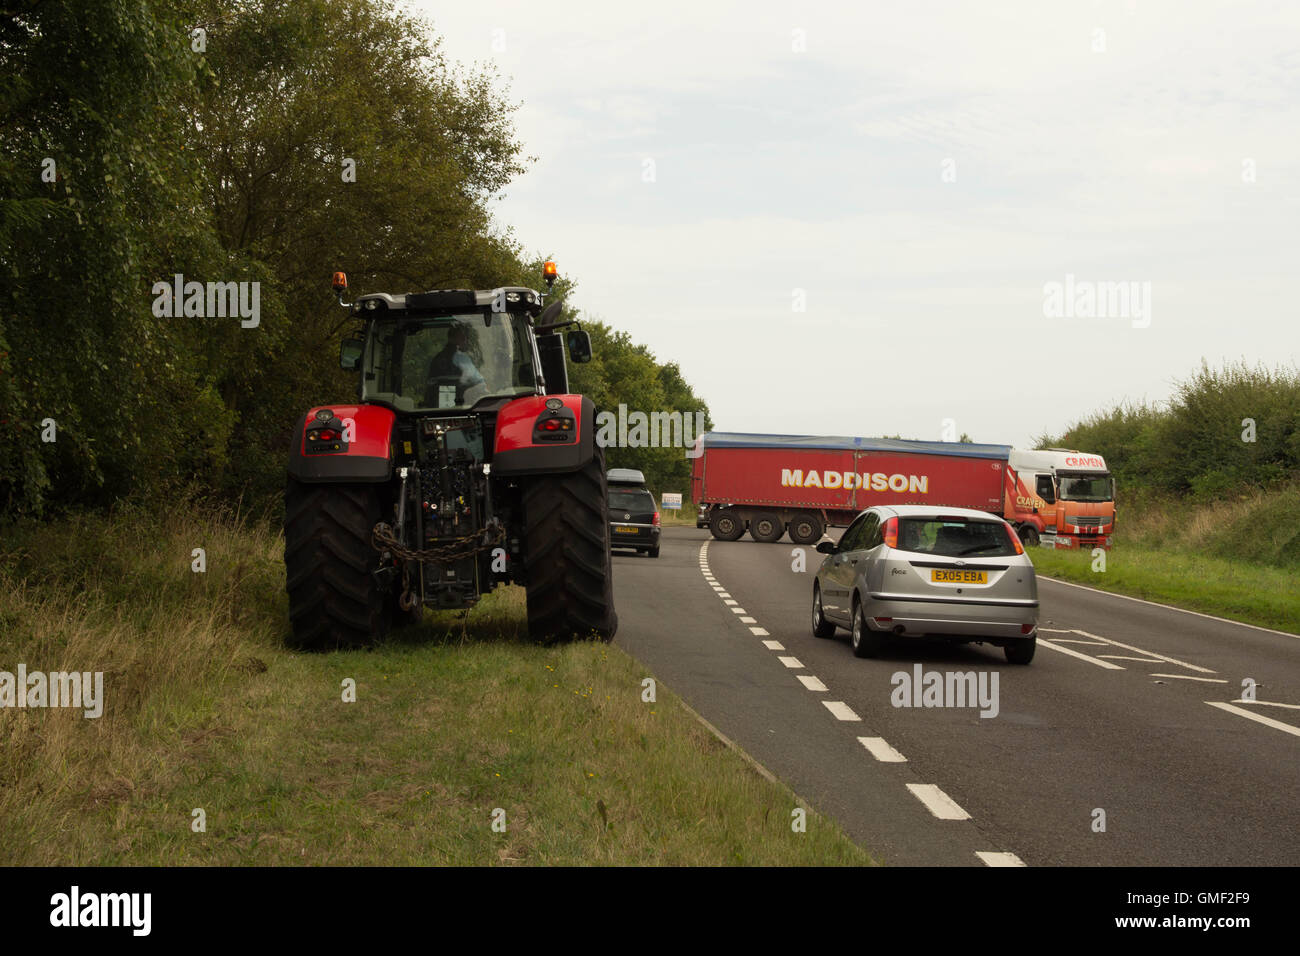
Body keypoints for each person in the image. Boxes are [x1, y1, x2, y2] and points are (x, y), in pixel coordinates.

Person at [427, 321, 485, 399]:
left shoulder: (437, 359)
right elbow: (478, 382)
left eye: (465, 338)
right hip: (462, 401)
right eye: (462, 338)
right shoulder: (461, 358)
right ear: (452, 339)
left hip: (440, 402)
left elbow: (430, 387)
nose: (465, 341)